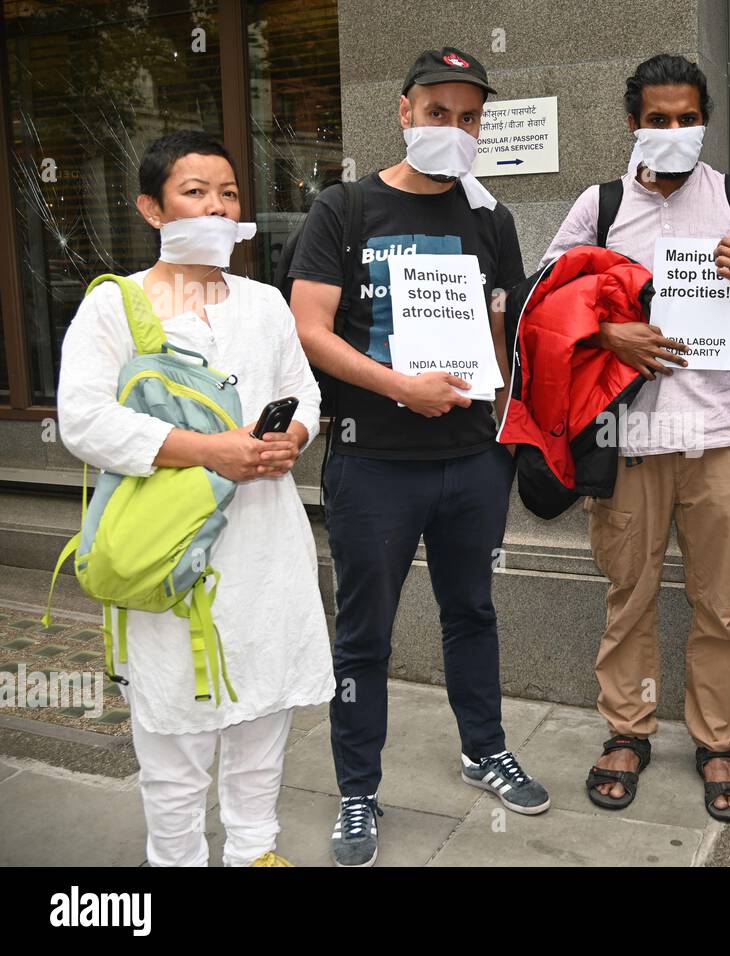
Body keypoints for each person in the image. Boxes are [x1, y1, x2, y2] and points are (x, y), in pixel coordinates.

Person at [288, 47, 548, 867]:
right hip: (373, 464)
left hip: (472, 458)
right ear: (404, 113)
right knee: (364, 634)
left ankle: (484, 748)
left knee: (472, 611)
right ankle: (358, 791)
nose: (455, 130)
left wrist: (504, 388)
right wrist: (399, 386)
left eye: (470, 118)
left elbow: (502, 326)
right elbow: (308, 329)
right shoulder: (346, 209)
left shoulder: (491, 219)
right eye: (439, 113)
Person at [57, 129, 335, 866]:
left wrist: (294, 435)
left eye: (229, 194)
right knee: (176, 748)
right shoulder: (116, 307)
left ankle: (254, 851)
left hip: (266, 544)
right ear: (152, 208)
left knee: (261, 725)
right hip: (172, 553)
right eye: (195, 192)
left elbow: (300, 388)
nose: (216, 208)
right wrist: (209, 451)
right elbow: (84, 419)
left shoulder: (265, 302)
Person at [540, 53, 730, 821]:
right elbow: (549, 305)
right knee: (630, 593)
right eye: (659, 119)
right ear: (633, 122)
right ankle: (628, 729)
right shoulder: (601, 204)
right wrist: (609, 331)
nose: (675, 131)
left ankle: (719, 739)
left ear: (705, 119)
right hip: (626, 436)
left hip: (717, 434)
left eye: (688, 119)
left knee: (720, 603)